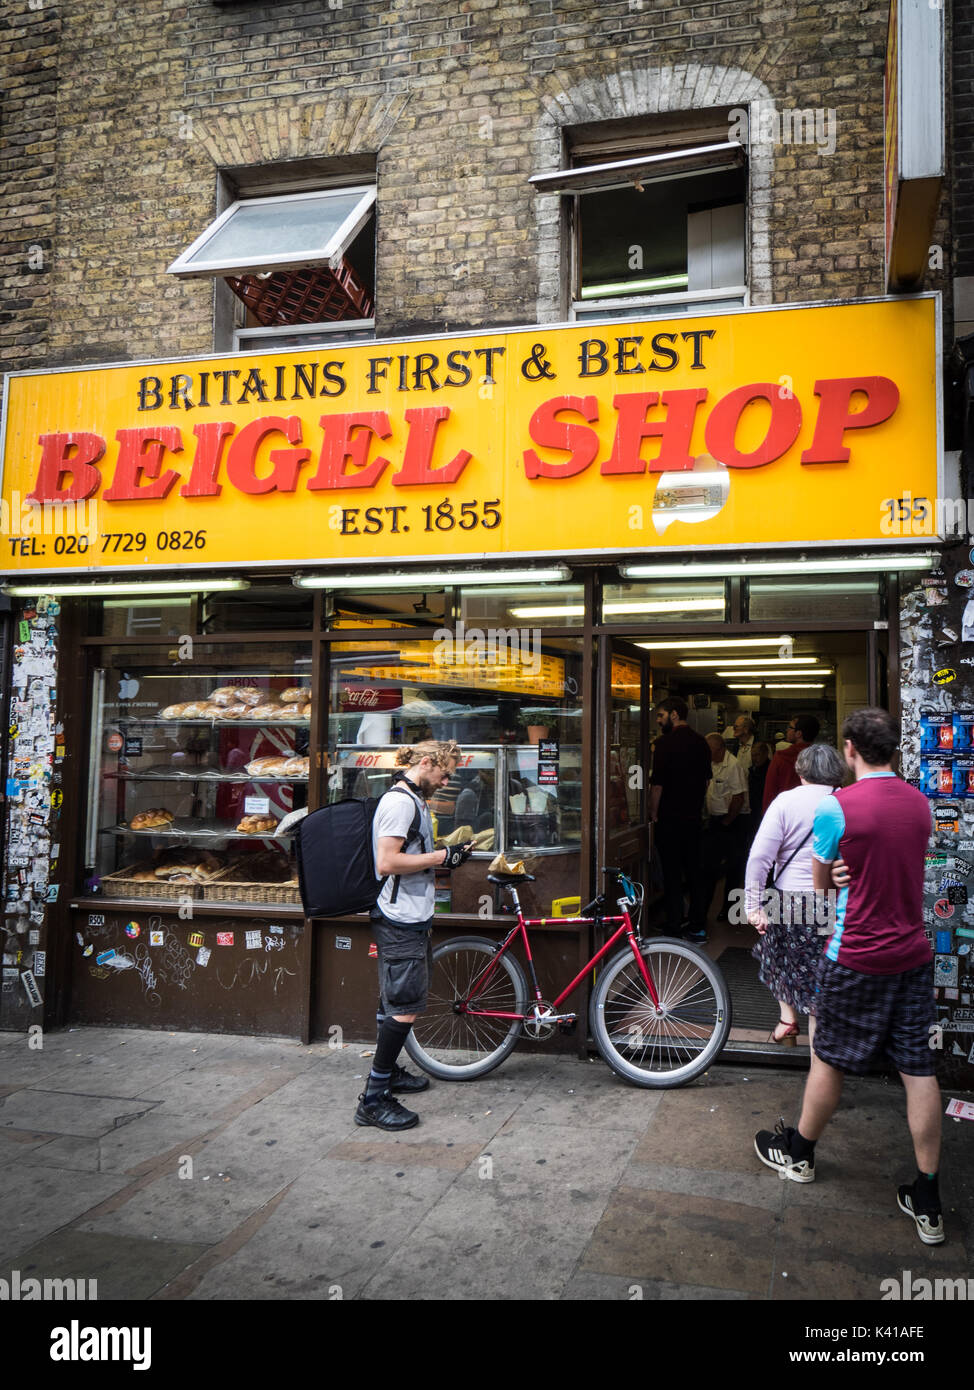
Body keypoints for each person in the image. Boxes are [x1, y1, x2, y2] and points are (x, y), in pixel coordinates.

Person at [754, 708, 943, 1245]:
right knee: (918, 1070)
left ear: (851, 750)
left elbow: (821, 888)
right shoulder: (921, 803)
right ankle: (927, 1196)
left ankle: (801, 1154)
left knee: (828, 1057)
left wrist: (834, 872)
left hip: (854, 954)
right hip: (912, 955)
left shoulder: (836, 809)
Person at [355, 739, 474, 1132]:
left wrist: (445, 853)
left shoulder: (415, 799)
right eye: (445, 773)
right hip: (399, 917)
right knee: (404, 1006)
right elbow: (387, 861)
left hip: (411, 914)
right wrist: (441, 857)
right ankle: (373, 1099)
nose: (446, 781)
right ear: (426, 762)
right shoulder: (401, 801)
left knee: (393, 999)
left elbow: (411, 851)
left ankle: (388, 1075)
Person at [745, 743, 846, 1043]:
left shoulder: (784, 802)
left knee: (777, 957)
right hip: (832, 899)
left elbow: (759, 858)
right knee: (821, 965)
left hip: (788, 899)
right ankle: (797, 1022)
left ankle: (793, 1021)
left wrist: (752, 905)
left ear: (801, 772)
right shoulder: (844, 801)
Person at [649, 697, 712, 941]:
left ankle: (674, 924)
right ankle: (697, 926)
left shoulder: (663, 744)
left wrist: (654, 813)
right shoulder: (701, 742)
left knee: (672, 874)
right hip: (694, 818)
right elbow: (706, 781)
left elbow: (657, 786)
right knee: (695, 873)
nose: (658, 720)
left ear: (674, 715)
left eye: (660, 715)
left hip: (669, 819)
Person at [700, 733, 747, 926]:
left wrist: (727, 821)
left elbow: (739, 797)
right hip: (714, 820)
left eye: (709, 750)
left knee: (733, 868)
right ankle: (703, 911)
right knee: (709, 868)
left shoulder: (733, 765)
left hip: (732, 822)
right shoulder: (710, 763)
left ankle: (729, 910)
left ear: (720, 749)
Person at [763, 713, 820, 812]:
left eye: (790, 727)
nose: (787, 730)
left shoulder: (781, 757)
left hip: (786, 816)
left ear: (799, 734)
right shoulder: (823, 758)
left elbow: (770, 792)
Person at [747, 741, 772, 835]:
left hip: (764, 810)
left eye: (757, 755)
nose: (754, 758)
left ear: (766, 754)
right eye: (752, 755)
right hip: (753, 810)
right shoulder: (752, 770)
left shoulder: (771, 770)